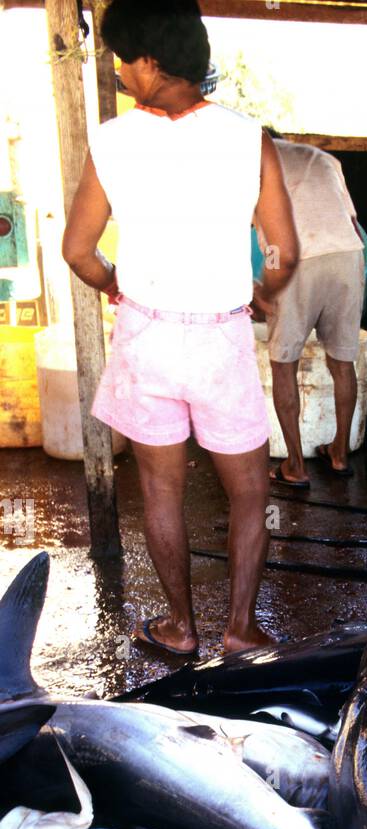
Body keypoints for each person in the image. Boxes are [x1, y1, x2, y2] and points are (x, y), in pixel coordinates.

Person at [62, 0, 298, 656]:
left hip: (146, 333)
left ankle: (181, 628)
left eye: (122, 60)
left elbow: (78, 251)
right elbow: (285, 251)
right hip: (220, 335)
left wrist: (113, 283)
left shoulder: (112, 141)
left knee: (161, 489)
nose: (119, 73)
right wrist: (260, 288)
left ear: (150, 60)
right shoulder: (249, 139)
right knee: (250, 492)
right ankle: (240, 628)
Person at [257, 134, 365, 486]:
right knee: (341, 360)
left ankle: (295, 466)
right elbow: (352, 222)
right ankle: (338, 454)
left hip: (297, 257)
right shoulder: (322, 158)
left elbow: (264, 232)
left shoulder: (252, 161)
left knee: (283, 363)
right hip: (348, 255)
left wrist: (262, 284)